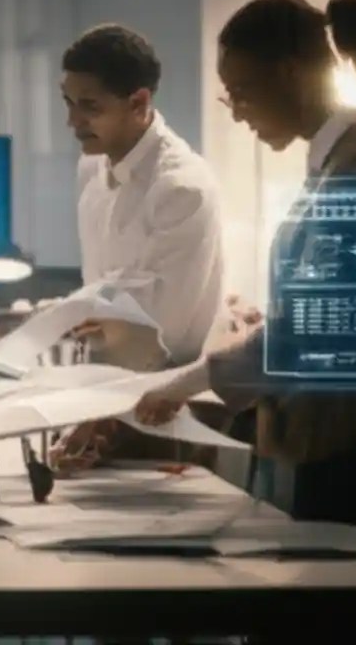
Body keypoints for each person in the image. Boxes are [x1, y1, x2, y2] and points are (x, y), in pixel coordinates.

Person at [132, 0, 356, 645]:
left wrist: (190, 378)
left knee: (348, 626)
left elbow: (321, 331)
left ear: (289, 74)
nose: (235, 113)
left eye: (240, 92)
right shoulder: (342, 160)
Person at [49, 24, 226, 471]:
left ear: (139, 103)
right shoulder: (91, 166)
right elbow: (104, 297)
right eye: (68, 102)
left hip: (165, 410)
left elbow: (159, 329)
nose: (73, 121)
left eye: (89, 106)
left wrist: (84, 314)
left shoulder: (182, 187)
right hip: (104, 398)